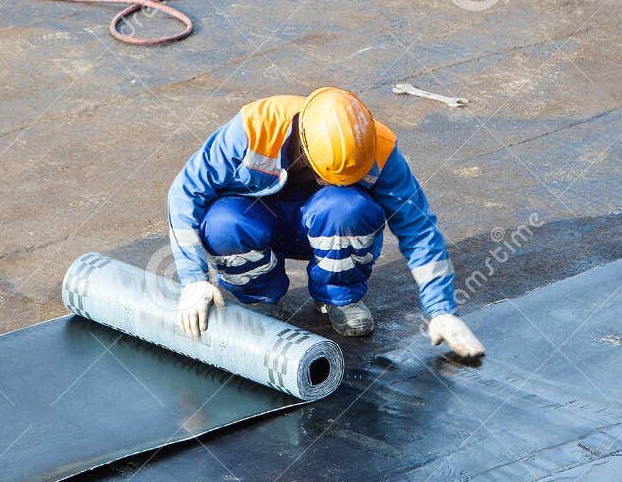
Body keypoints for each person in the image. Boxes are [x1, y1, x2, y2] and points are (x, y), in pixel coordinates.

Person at [166, 88, 485, 359]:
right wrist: (194, 279)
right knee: (223, 223)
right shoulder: (255, 127)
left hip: (330, 224)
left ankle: (338, 296)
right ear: (305, 146)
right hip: (260, 220)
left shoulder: (378, 146)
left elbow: (418, 229)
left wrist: (442, 310)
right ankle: (259, 297)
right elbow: (185, 193)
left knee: (348, 207)